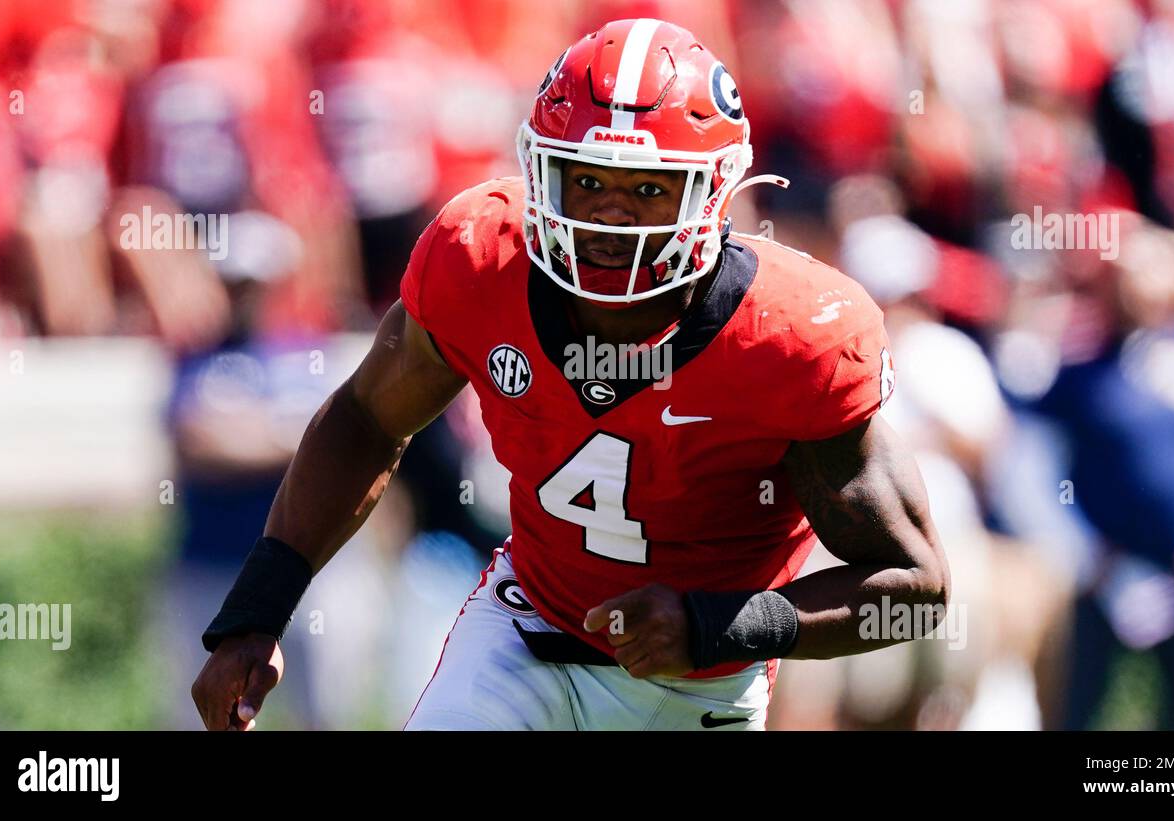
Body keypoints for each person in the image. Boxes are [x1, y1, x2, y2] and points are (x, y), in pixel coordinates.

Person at [191, 18, 949, 731]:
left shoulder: (793, 338)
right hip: (525, 628)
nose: (609, 218)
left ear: (713, 191)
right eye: (586, 181)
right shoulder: (480, 258)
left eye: (648, 189)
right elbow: (367, 417)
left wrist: (718, 623)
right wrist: (262, 604)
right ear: (539, 170)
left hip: (700, 682)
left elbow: (913, 588)